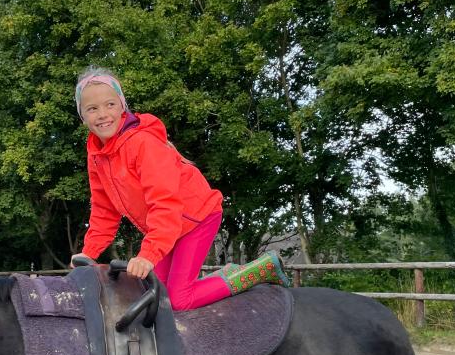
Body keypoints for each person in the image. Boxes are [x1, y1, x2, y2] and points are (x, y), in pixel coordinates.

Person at [70, 67, 290, 311]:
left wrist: (148, 254)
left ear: (122, 106)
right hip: (168, 226)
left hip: (196, 217)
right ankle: (221, 277)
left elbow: (165, 202)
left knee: (177, 300)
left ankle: (254, 271)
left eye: (110, 104)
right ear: (82, 116)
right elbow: (104, 209)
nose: (102, 114)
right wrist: (88, 254)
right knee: (155, 293)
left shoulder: (142, 144)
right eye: (92, 109)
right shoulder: (97, 156)